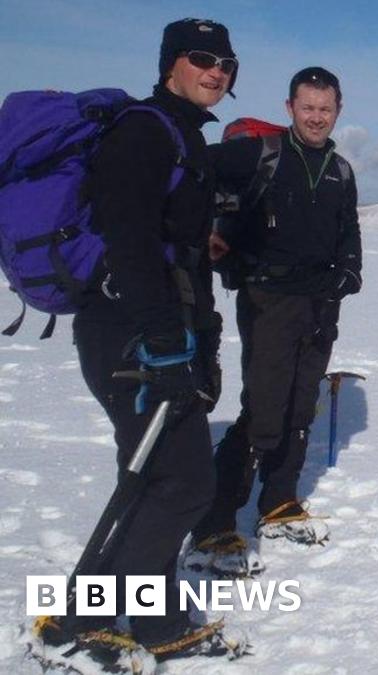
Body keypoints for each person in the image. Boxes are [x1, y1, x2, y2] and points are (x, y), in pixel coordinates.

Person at [34, 18, 244, 664]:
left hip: (159, 331)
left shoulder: (180, 135)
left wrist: (195, 338)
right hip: (130, 333)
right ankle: (113, 624)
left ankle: (111, 617)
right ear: (170, 65)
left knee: (156, 476)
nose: (217, 71)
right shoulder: (145, 132)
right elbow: (127, 242)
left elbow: (164, 243)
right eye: (202, 58)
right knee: (181, 482)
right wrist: (163, 343)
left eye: (226, 62)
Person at [189, 66, 361, 572]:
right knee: (263, 409)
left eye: (325, 108)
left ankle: (278, 501)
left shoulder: (340, 169)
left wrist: (350, 270)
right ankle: (216, 521)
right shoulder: (259, 153)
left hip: (320, 301)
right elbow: (196, 170)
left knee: (301, 404)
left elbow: (347, 227)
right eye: (307, 107)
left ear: (338, 110)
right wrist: (208, 235)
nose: (316, 117)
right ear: (290, 108)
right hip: (269, 299)